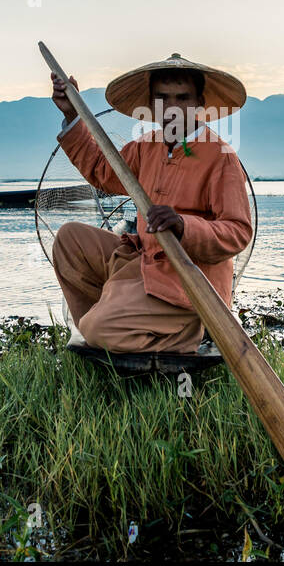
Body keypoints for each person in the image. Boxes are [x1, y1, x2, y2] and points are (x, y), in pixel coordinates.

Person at [49, 53, 252, 355]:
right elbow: (102, 171)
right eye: (163, 99)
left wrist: (184, 226)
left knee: (97, 329)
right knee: (69, 239)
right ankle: (110, 323)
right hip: (143, 264)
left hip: (186, 285)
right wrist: (72, 115)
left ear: (199, 103)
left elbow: (238, 232)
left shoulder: (221, 157)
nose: (172, 108)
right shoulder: (147, 146)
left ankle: (188, 334)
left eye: (182, 98)